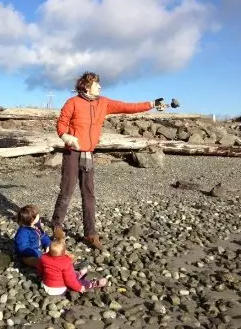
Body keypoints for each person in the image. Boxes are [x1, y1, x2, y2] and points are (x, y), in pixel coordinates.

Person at [51, 71, 167, 249]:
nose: (100, 87)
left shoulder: (103, 103)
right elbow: (61, 123)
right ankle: (57, 226)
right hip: (72, 152)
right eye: (97, 84)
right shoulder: (72, 102)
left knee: (89, 194)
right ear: (86, 86)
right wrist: (67, 138)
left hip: (88, 153)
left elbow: (128, 107)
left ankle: (90, 234)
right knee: (67, 190)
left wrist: (151, 104)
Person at [37, 239, 107, 295]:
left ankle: (78, 274)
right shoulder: (65, 263)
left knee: (68, 274)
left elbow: (40, 270)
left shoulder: (43, 258)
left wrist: (41, 277)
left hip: (45, 285)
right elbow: (69, 281)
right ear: (64, 252)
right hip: (58, 289)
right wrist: (79, 288)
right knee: (76, 281)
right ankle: (92, 284)